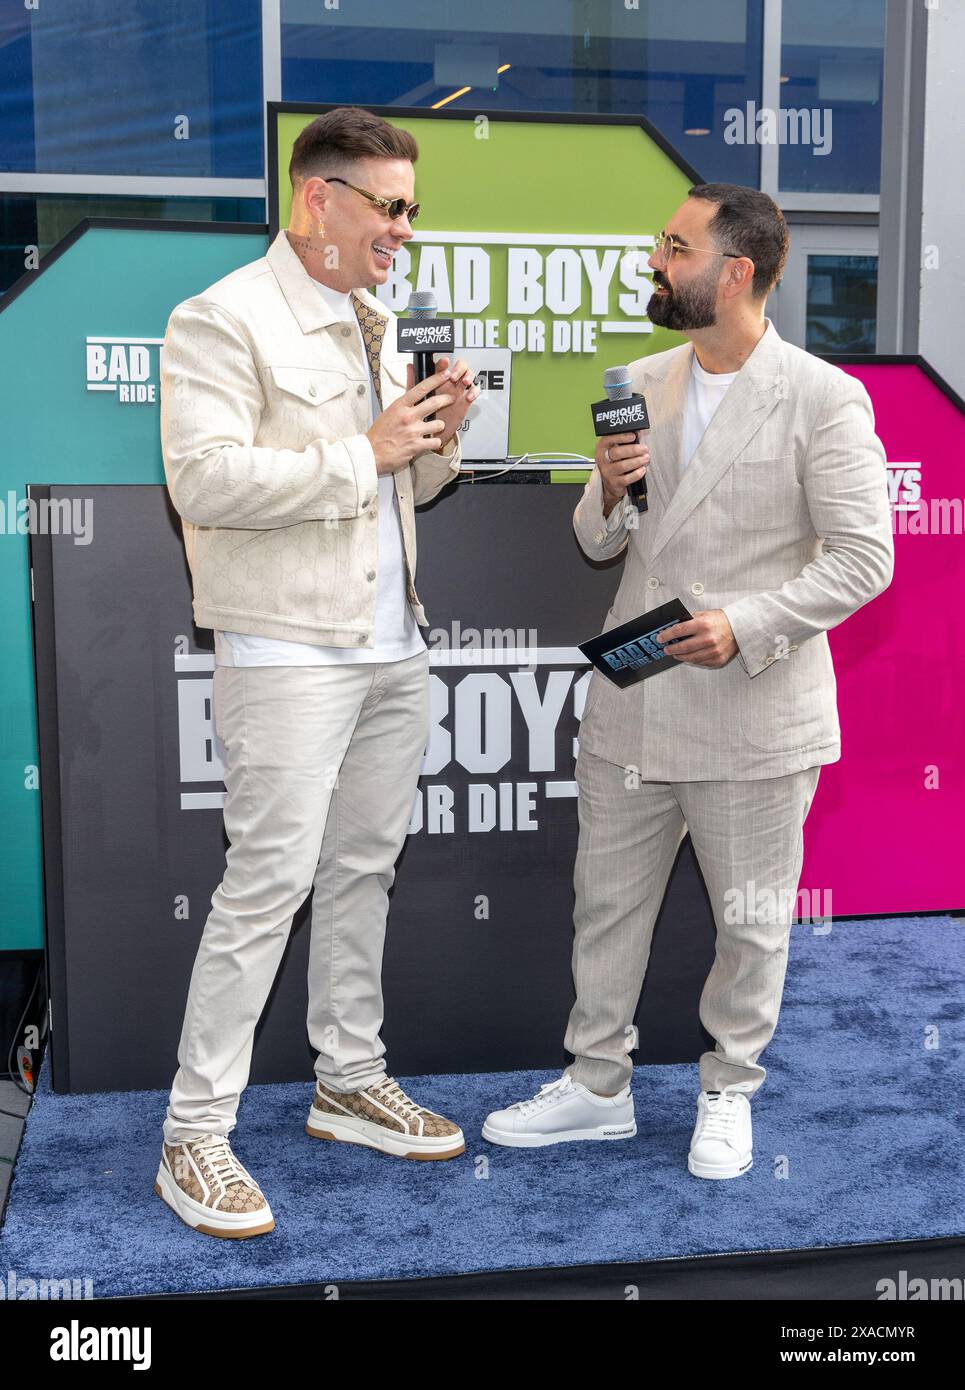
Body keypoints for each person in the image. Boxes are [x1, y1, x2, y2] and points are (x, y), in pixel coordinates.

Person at [483, 183, 894, 1179]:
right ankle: (594, 1087)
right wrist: (612, 487)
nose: (654, 261)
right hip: (631, 699)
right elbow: (595, 539)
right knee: (605, 906)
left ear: (734, 271)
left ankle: (727, 1090)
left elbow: (863, 557)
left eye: (673, 246)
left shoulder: (821, 397)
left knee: (748, 919)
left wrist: (743, 623)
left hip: (750, 708)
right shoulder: (643, 378)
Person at [155, 105, 477, 1238]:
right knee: (264, 889)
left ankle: (349, 1078)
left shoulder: (374, 321)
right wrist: (369, 449)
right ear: (316, 200)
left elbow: (397, 491)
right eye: (387, 207)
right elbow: (204, 481)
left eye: (410, 211)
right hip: (285, 651)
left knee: (360, 874)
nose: (401, 230)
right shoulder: (220, 319)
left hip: (393, 643)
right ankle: (194, 1134)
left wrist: (431, 446)